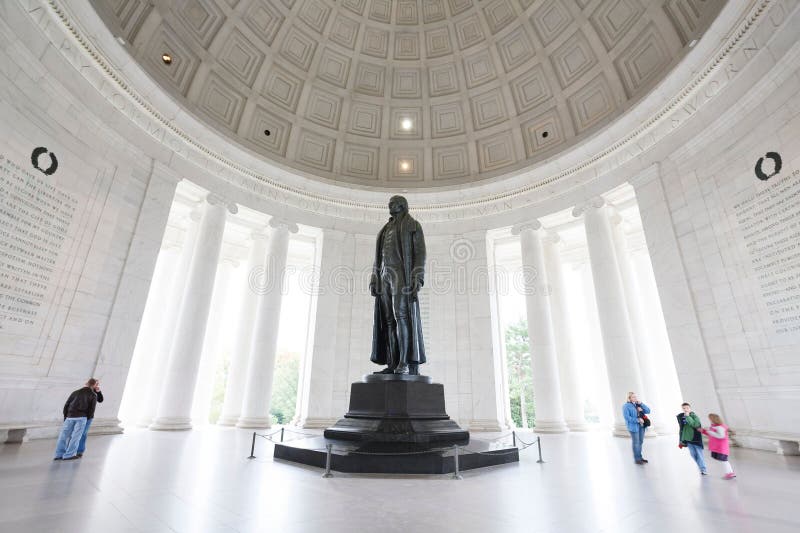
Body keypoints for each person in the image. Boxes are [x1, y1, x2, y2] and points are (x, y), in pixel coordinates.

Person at [369, 195, 426, 375]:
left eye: (392, 203)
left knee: (401, 316)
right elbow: (378, 257)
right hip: (384, 275)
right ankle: (392, 363)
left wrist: (417, 276)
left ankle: (404, 362)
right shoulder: (385, 229)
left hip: (401, 273)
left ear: (402, 205)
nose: (389, 205)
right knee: (388, 320)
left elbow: (420, 253)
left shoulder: (412, 225)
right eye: (389, 203)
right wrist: (374, 278)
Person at [53, 379, 98, 461]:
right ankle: (69, 455)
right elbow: (91, 410)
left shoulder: (75, 392)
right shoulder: (93, 395)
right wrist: (87, 419)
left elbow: (66, 405)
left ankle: (59, 454)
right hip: (81, 418)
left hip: (69, 417)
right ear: (94, 385)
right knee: (76, 437)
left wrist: (66, 417)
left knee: (63, 436)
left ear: (87, 383)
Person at [701, 413, 736, 479]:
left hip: (721, 447)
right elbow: (711, 434)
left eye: (710, 419)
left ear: (714, 419)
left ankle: (729, 473)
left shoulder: (720, 427)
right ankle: (730, 473)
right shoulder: (714, 426)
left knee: (724, 460)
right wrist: (703, 431)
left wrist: (709, 431)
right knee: (722, 460)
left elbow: (721, 436)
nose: (709, 420)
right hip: (717, 447)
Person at [677, 402, 707, 475]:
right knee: (693, 455)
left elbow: (695, 425)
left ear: (690, 408)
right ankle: (701, 467)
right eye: (684, 408)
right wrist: (681, 441)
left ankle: (703, 469)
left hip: (696, 439)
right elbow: (681, 429)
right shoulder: (681, 417)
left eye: (687, 408)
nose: (685, 409)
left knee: (699, 455)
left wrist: (688, 417)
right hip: (688, 440)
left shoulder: (694, 416)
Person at [76, 380, 103, 458]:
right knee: (75, 433)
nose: (97, 385)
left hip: (88, 417)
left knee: (83, 433)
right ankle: (71, 449)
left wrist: (99, 392)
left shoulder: (95, 393)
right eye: (96, 383)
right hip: (78, 415)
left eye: (98, 384)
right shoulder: (83, 391)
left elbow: (100, 400)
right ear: (92, 384)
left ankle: (79, 451)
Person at [622, 392, 650, 465]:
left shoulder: (638, 404)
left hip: (642, 426)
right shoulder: (626, 406)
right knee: (636, 443)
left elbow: (648, 411)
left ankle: (640, 457)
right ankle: (637, 459)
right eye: (633, 397)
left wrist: (641, 404)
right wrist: (637, 420)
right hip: (633, 426)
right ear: (629, 398)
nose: (635, 398)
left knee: (640, 442)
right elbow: (627, 417)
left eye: (635, 397)